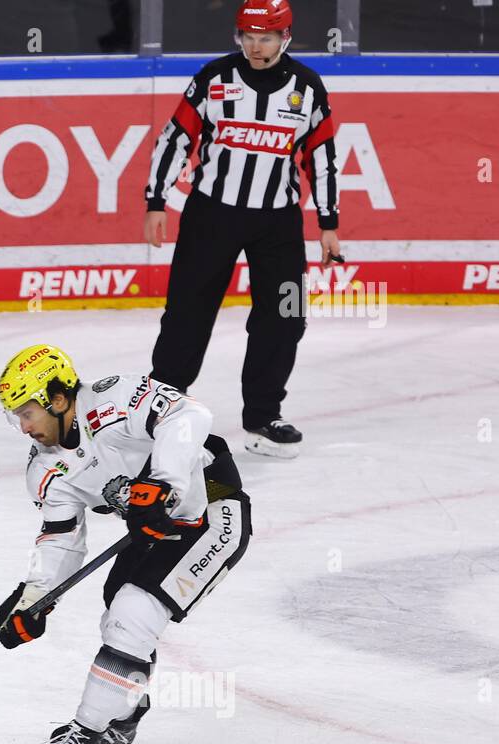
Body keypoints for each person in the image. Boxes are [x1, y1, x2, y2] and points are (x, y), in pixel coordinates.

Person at [0, 345, 251, 744]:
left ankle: (84, 735)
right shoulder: (44, 468)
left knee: (133, 614)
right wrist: (34, 598)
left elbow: (191, 416)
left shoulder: (114, 398)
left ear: (57, 398)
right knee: (118, 615)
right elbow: (60, 537)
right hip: (154, 529)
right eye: (16, 415)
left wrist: (163, 483)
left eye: (28, 411)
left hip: (211, 511)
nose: (24, 425)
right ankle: (122, 713)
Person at [143, 0, 340, 459]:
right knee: (186, 313)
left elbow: (323, 158)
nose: (256, 46)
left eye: (266, 38)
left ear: (285, 37)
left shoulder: (308, 88)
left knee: (286, 316)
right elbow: (176, 137)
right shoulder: (213, 79)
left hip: (279, 222)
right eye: (248, 37)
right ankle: (161, 407)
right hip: (211, 214)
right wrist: (157, 200)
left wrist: (328, 222)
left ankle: (263, 417)